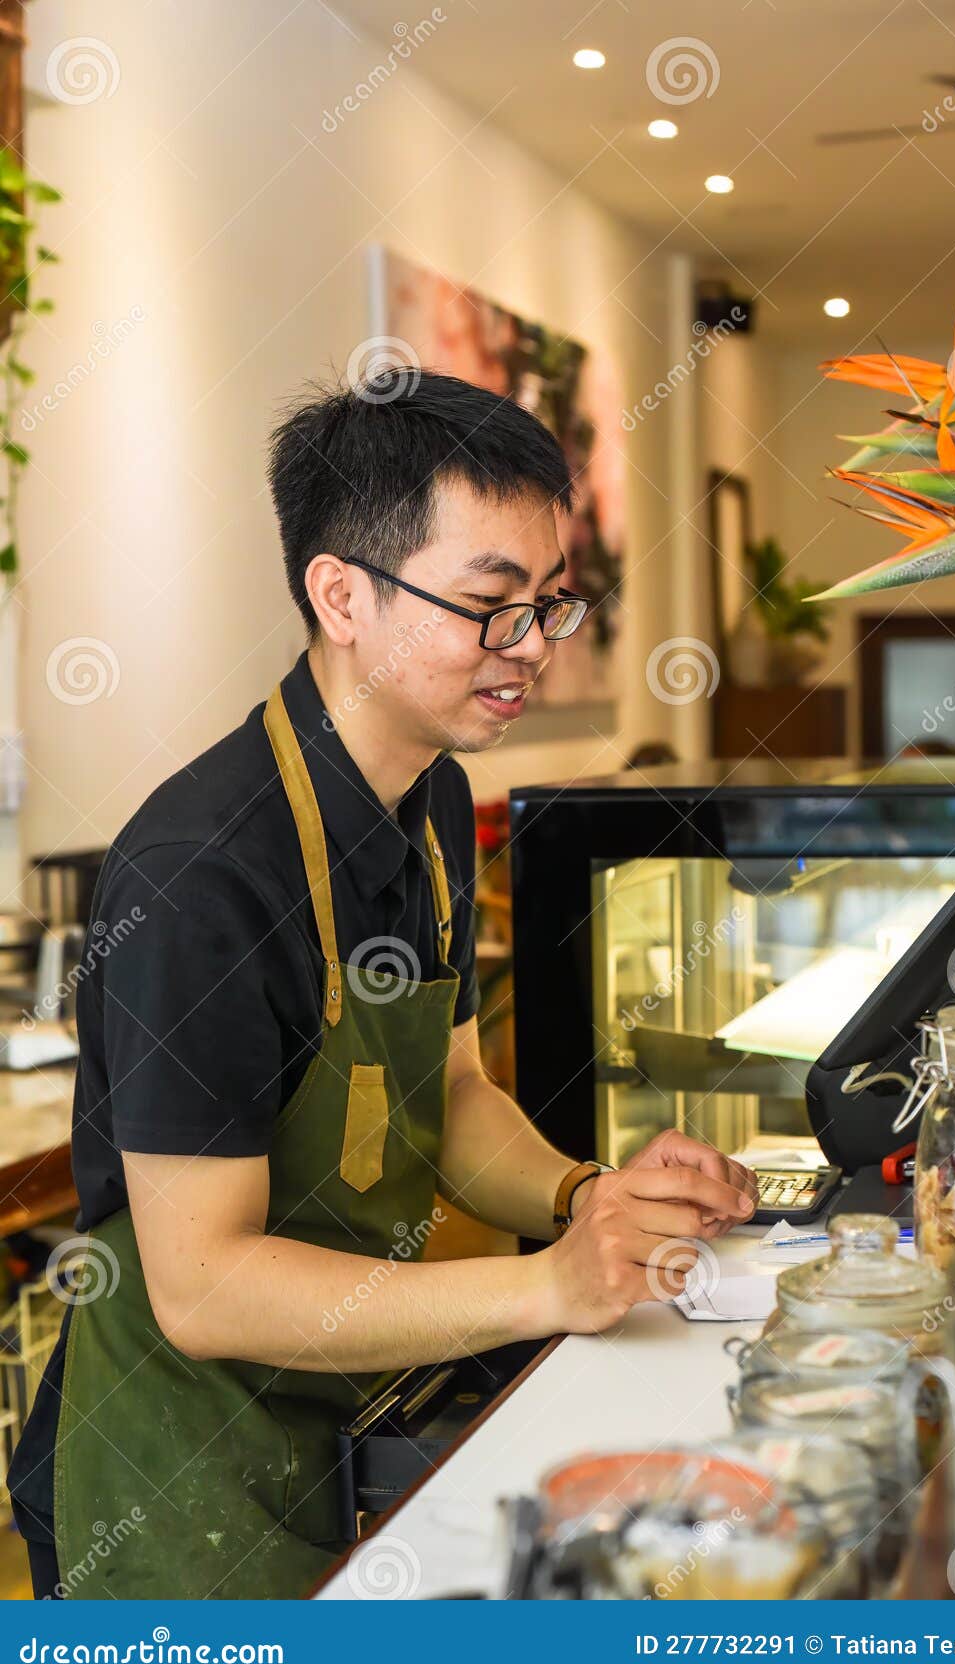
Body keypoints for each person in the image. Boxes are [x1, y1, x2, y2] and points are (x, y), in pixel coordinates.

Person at [9, 370, 757, 1599]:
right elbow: (203, 1287)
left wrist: (589, 1194)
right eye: (488, 607)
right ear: (340, 594)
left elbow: (451, 1096)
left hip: (343, 1418)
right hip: (174, 1472)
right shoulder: (203, 872)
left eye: (549, 607)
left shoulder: (435, 801)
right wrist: (542, 1286)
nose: (531, 653)